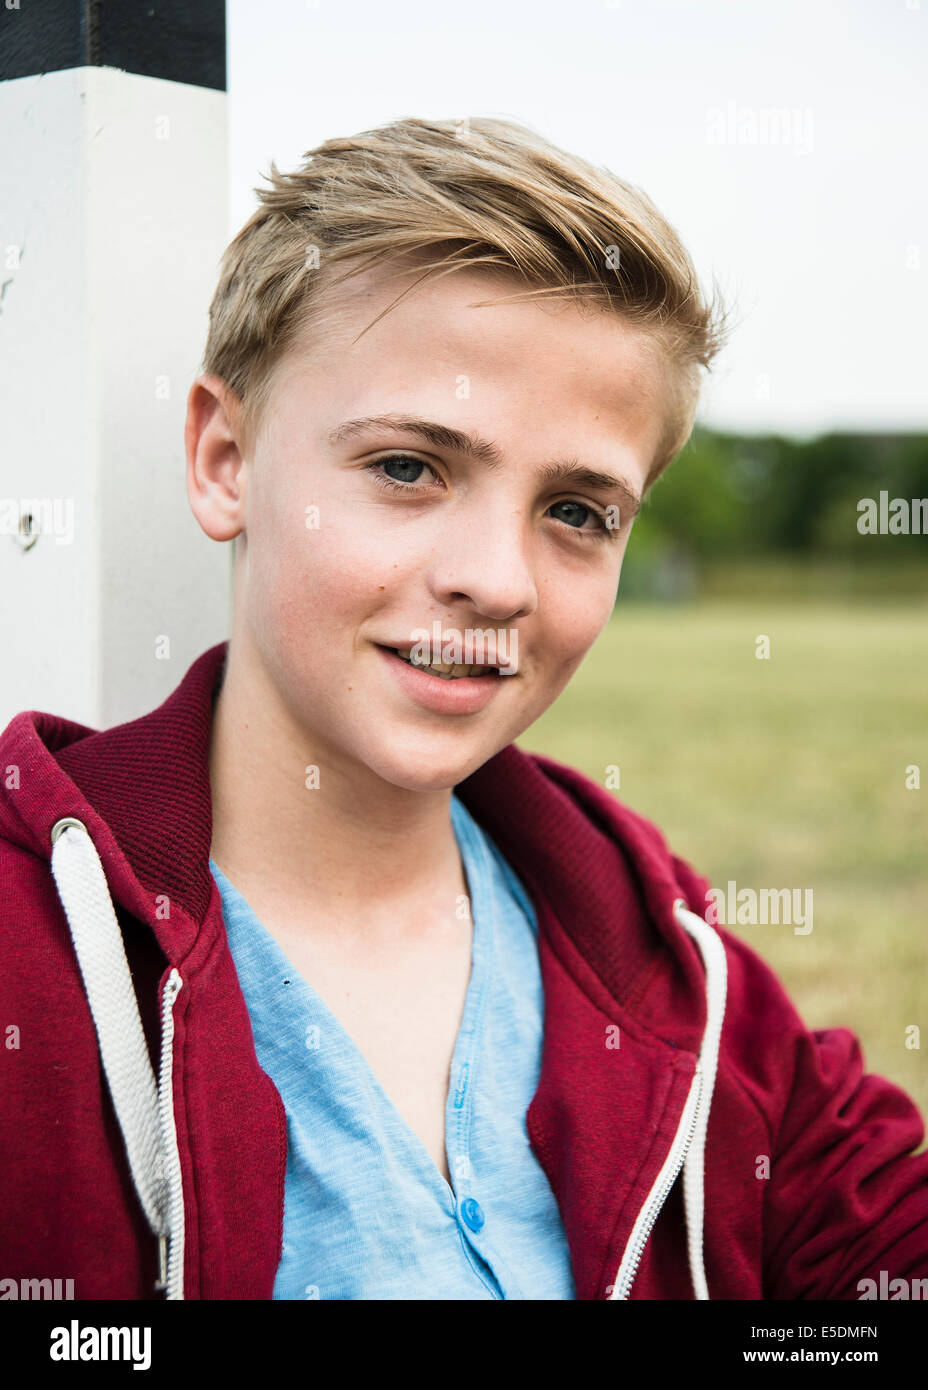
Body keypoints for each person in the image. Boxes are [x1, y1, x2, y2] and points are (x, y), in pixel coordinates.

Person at [1, 116, 925, 1302]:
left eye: (579, 511)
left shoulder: (665, 965)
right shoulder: (34, 966)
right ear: (225, 458)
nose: (497, 577)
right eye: (407, 467)